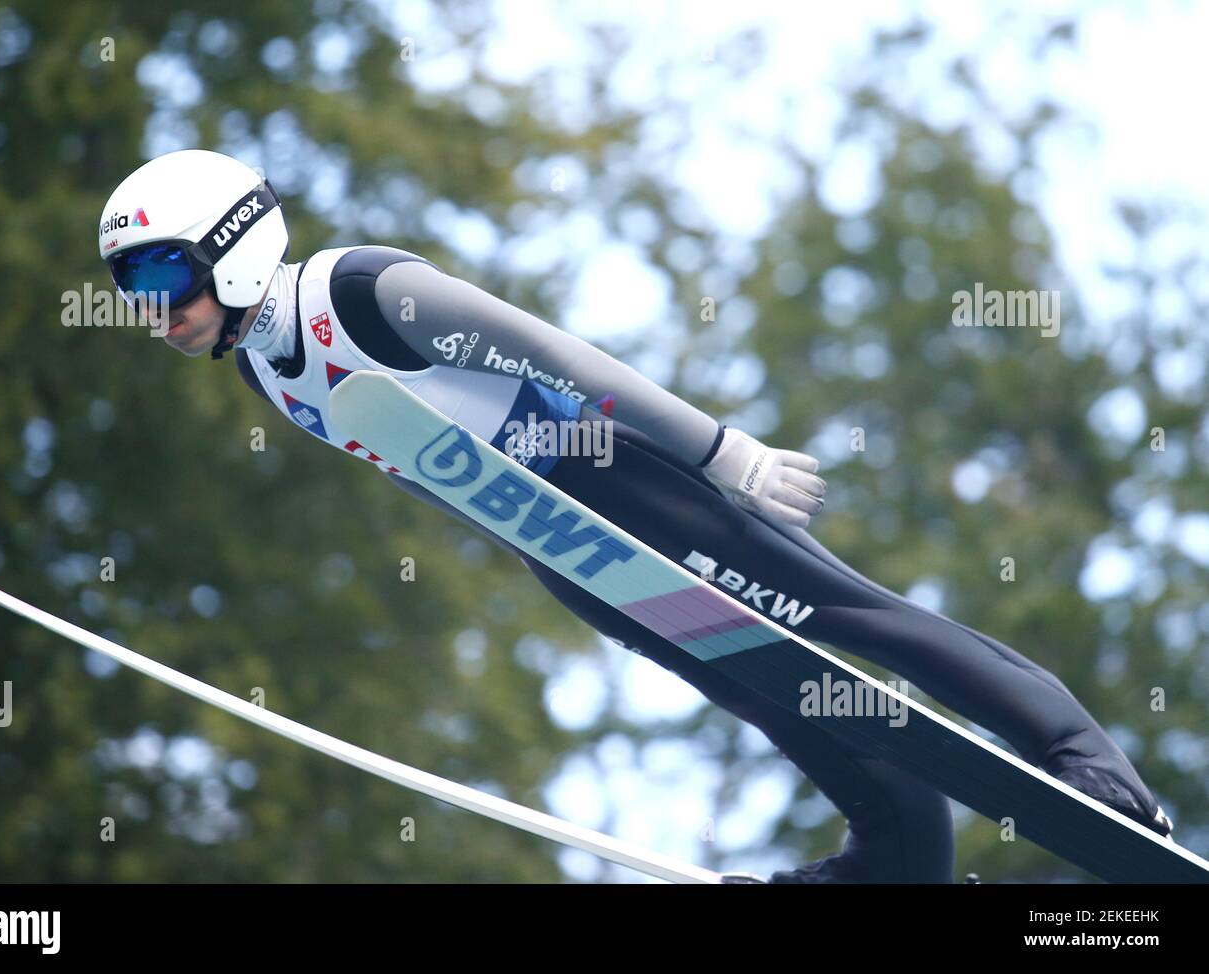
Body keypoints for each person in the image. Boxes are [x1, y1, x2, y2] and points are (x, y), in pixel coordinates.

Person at [98, 148, 1171, 882]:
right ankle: (896, 854)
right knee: (768, 683)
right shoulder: (267, 378)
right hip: (556, 542)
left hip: (619, 479)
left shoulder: (361, 292)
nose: (155, 311)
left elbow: (556, 356)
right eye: (132, 290)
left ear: (232, 242)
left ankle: (1083, 758)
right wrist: (543, 546)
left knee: (849, 623)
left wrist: (722, 452)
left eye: (160, 276)